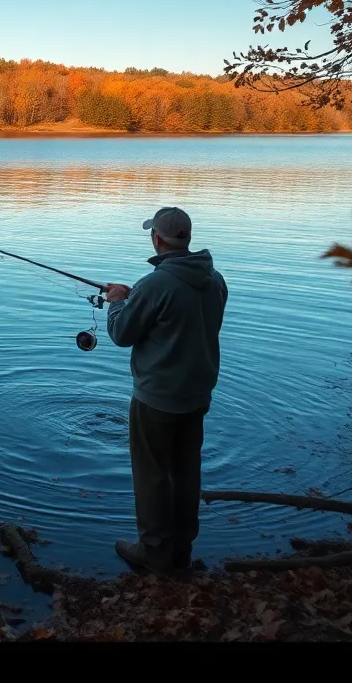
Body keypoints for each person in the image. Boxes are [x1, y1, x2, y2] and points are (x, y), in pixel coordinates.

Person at [103, 206, 227, 573]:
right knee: (187, 472)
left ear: (157, 238)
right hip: (197, 394)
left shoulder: (155, 284)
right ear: (185, 238)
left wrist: (117, 302)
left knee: (153, 474)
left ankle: (154, 551)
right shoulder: (215, 279)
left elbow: (121, 334)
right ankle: (181, 549)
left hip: (156, 398)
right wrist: (132, 296)